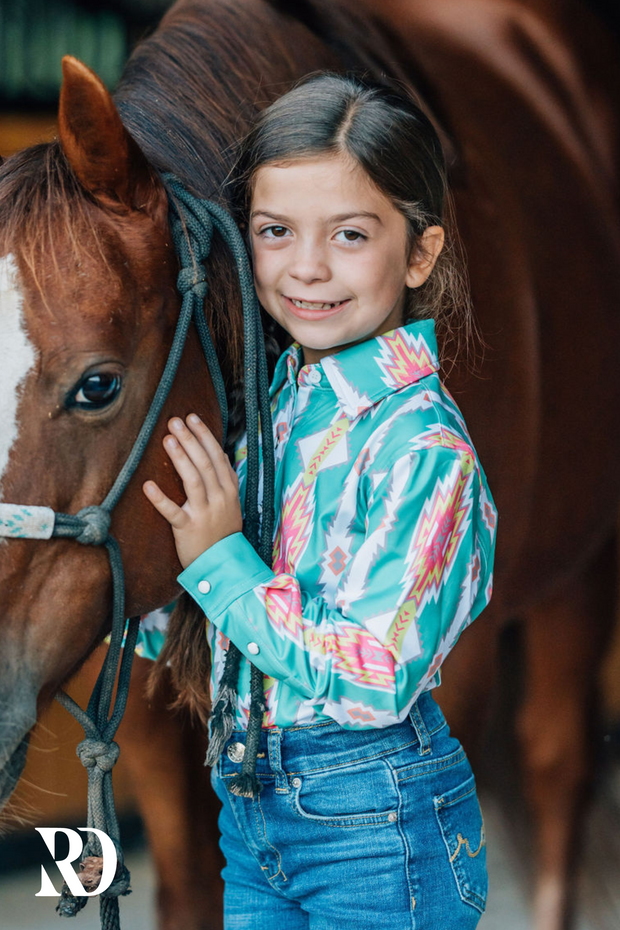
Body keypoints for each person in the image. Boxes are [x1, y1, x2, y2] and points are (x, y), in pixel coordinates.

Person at [141, 73, 497, 930]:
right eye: (275, 232)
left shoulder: (426, 453)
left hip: (378, 823)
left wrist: (220, 565)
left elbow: (375, 680)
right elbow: (228, 622)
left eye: (348, 234)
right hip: (252, 806)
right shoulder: (273, 407)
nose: (306, 267)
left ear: (419, 253)